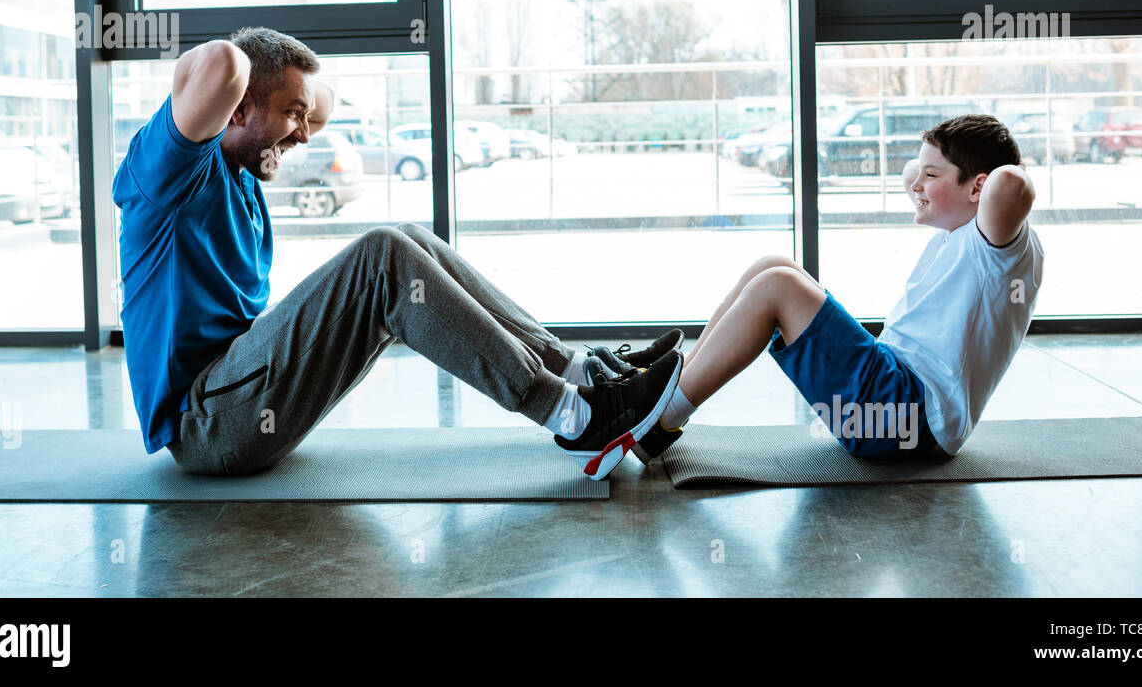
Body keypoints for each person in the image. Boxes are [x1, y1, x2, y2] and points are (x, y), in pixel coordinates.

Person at [111, 27, 683, 482]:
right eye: (291, 115)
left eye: (303, 117)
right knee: (382, 256)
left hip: (240, 399)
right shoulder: (169, 170)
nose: (305, 135)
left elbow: (312, 98)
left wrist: (288, 93)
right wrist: (255, 67)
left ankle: (577, 372)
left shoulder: (241, 173)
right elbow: (223, 66)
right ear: (235, 110)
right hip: (207, 423)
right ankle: (576, 417)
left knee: (409, 236)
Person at [597, 114, 1044, 462]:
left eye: (931, 176)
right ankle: (668, 388)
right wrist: (938, 167)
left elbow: (1011, 184)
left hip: (907, 416)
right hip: (893, 400)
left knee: (779, 286)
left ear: (979, 188)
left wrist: (986, 169)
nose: (914, 184)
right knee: (772, 265)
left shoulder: (998, 245)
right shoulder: (965, 230)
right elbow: (935, 175)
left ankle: (659, 419)